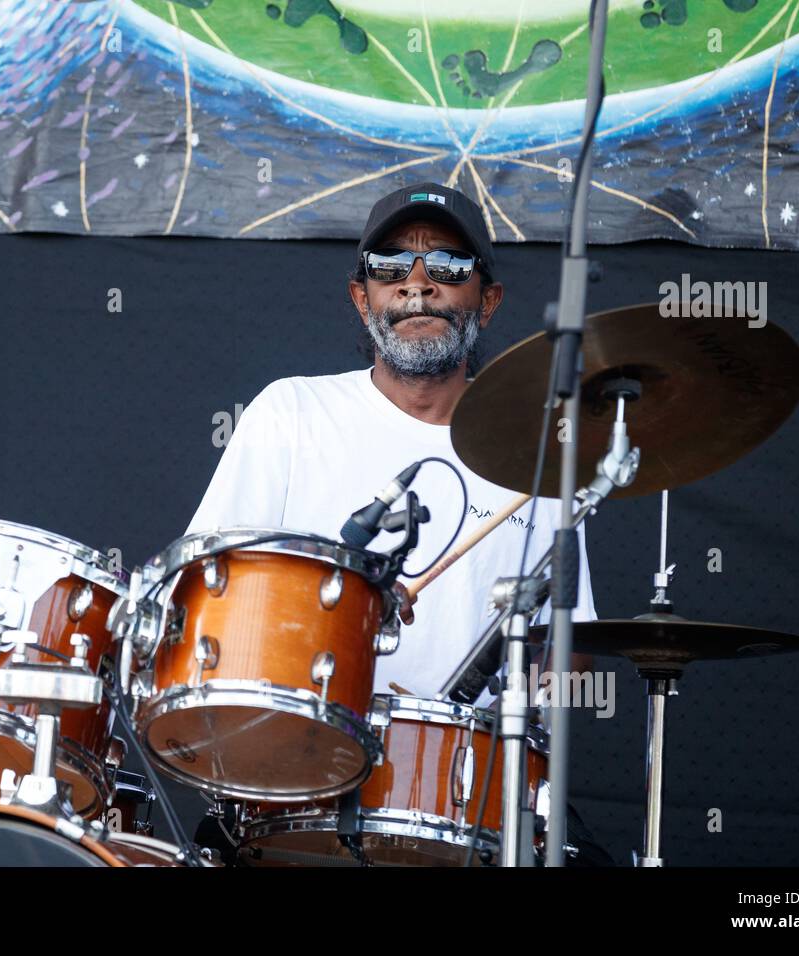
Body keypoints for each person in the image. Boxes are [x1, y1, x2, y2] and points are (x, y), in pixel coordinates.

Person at [186, 181, 596, 698]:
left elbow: (568, 637)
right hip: (299, 751)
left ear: (487, 301)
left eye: (448, 266)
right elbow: (210, 582)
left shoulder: (535, 454)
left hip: (460, 768)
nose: (417, 284)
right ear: (363, 298)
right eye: (390, 265)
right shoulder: (290, 412)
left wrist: (503, 740)